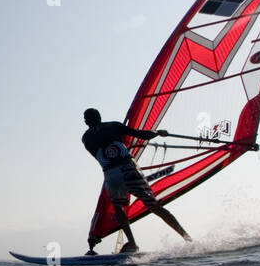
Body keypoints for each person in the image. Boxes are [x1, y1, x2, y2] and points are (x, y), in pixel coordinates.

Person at [82, 107, 191, 254]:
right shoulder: (113, 125)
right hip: (127, 168)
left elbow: (104, 146)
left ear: (86, 121)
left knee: (118, 208)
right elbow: (141, 135)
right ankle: (187, 238)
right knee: (153, 205)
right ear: (99, 117)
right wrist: (157, 133)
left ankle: (132, 243)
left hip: (110, 174)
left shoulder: (86, 138)